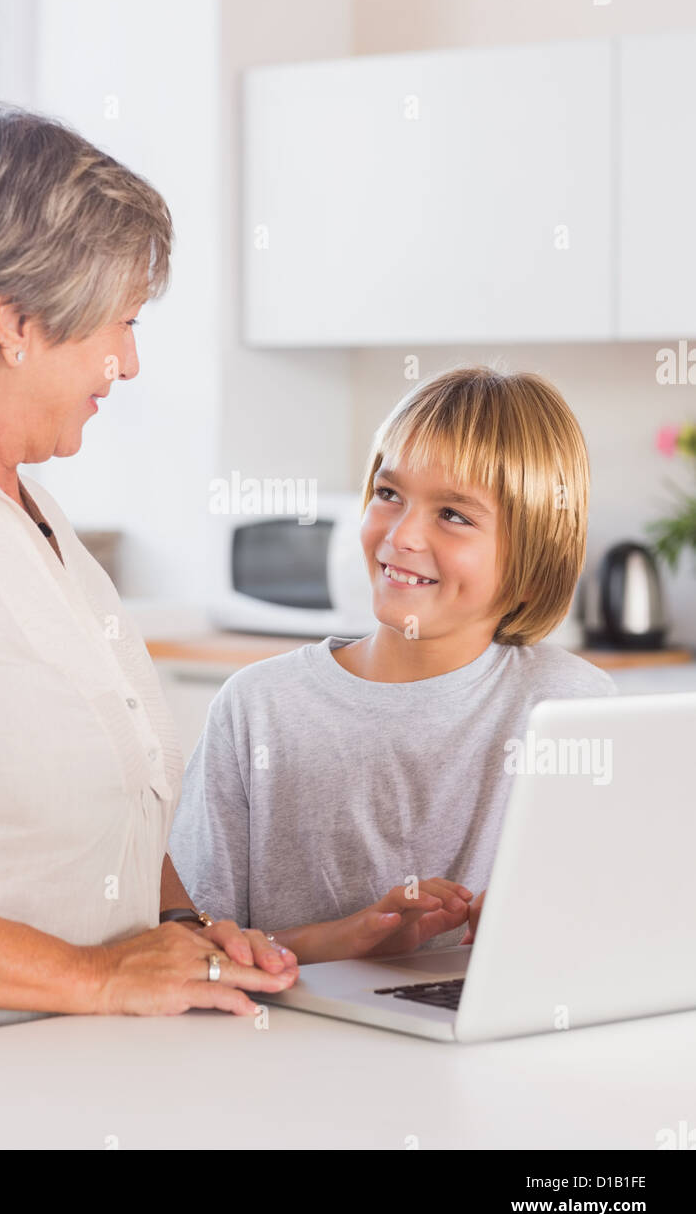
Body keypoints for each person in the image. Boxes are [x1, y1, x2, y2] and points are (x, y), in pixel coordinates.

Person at [0, 99, 314, 1053]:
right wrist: (94, 978)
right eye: (117, 324)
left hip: (68, 1079)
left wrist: (178, 933)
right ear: (14, 322)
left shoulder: (26, 511)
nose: (127, 363)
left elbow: (94, 815)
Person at [169, 365, 618, 962]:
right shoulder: (258, 708)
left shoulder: (572, 708)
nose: (402, 535)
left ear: (533, 563)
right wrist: (341, 941)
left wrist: (539, 940)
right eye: (388, 495)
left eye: (453, 515)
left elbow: (612, 936)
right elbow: (194, 954)